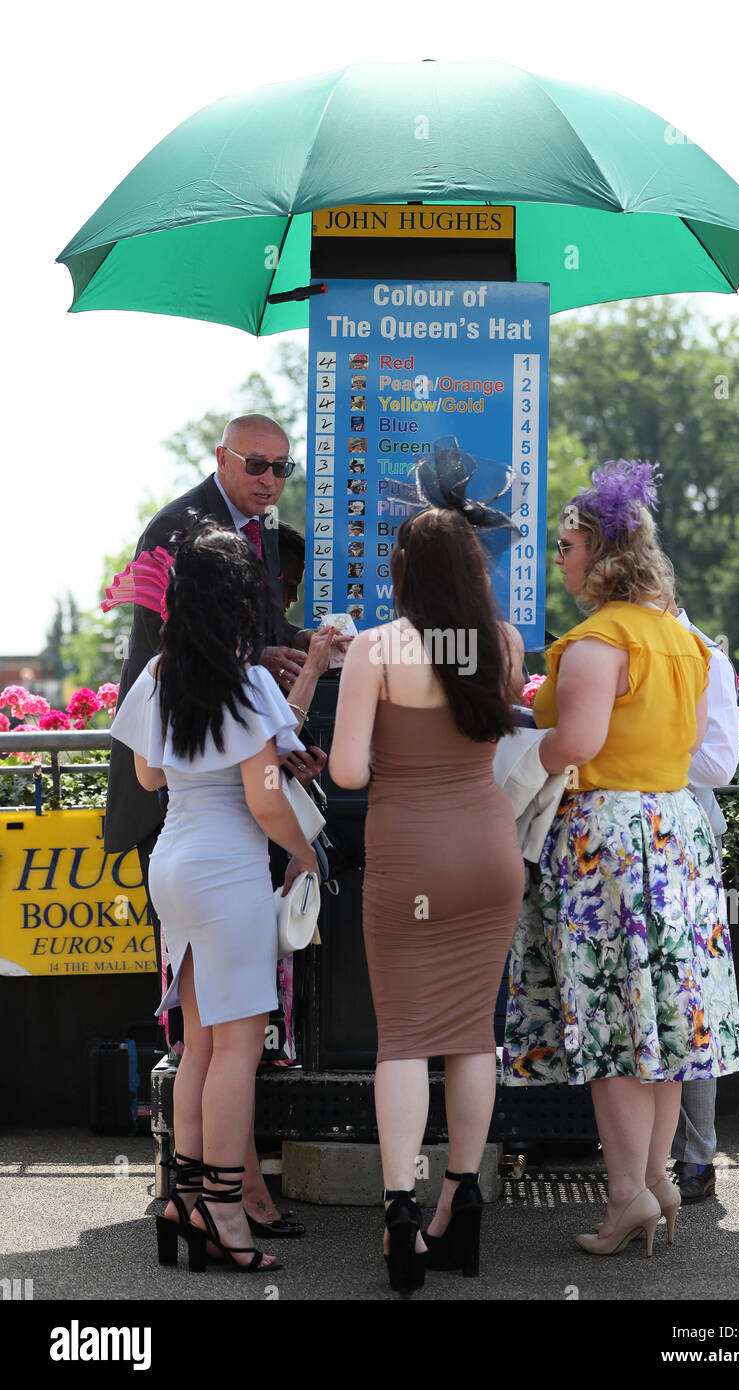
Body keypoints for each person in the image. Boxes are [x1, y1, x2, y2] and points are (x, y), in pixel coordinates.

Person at [503, 460, 739, 1257]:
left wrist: (514, 744)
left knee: (610, 1028)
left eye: (568, 544)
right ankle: (657, 1179)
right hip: (676, 831)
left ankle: (623, 1198)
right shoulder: (684, 640)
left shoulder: (597, 639)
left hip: (608, 836)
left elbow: (576, 745)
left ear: (603, 554)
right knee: (665, 1020)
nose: (560, 557)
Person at [104, 415, 317, 1234]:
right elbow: (266, 798)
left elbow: (151, 769)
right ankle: (225, 1215)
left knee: (196, 1044)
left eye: (282, 468)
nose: (270, 479)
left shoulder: (162, 674)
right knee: (237, 1050)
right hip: (230, 866)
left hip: (175, 857)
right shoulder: (250, 681)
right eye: (256, 465)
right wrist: (305, 859)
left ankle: (185, 1199)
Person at [329, 505, 525, 1295]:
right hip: (489, 851)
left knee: (405, 1037)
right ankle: (462, 1203)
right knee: (473, 1035)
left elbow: (346, 772)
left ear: (404, 569)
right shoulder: (505, 644)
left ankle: (401, 1213)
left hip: (410, 856)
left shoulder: (377, 649)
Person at [667, 598, 739, 1205]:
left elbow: (720, 764)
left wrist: (645, 748)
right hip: (632, 837)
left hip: (685, 838)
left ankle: (696, 1157)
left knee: (689, 996)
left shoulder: (704, 658)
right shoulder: (625, 648)